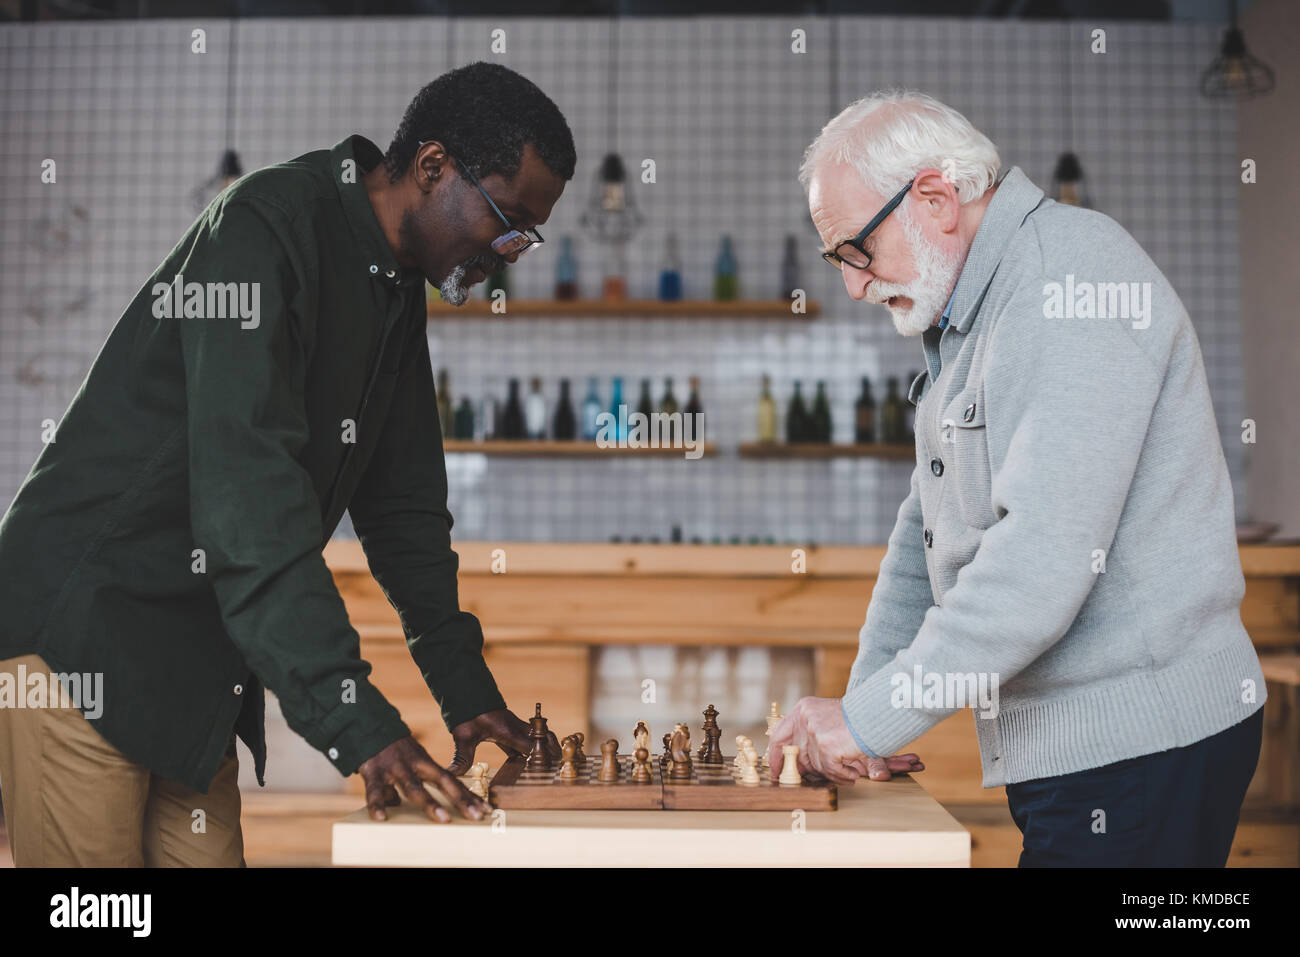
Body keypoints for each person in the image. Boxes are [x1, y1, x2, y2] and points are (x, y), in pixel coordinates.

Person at [0, 61, 574, 866]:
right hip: (84, 636)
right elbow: (250, 508)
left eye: (527, 235)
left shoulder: (395, 289)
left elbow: (404, 512)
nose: (512, 252)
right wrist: (361, 724)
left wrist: (466, 692)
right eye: (508, 221)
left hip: (192, 666)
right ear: (434, 166)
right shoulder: (265, 227)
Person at [769, 90, 1266, 867]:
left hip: (1140, 747)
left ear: (934, 198)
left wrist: (871, 717)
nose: (854, 286)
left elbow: (1040, 562)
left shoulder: (1066, 284)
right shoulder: (976, 315)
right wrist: (865, 711)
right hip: (1086, 753)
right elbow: (924, 528)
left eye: (855, 252)